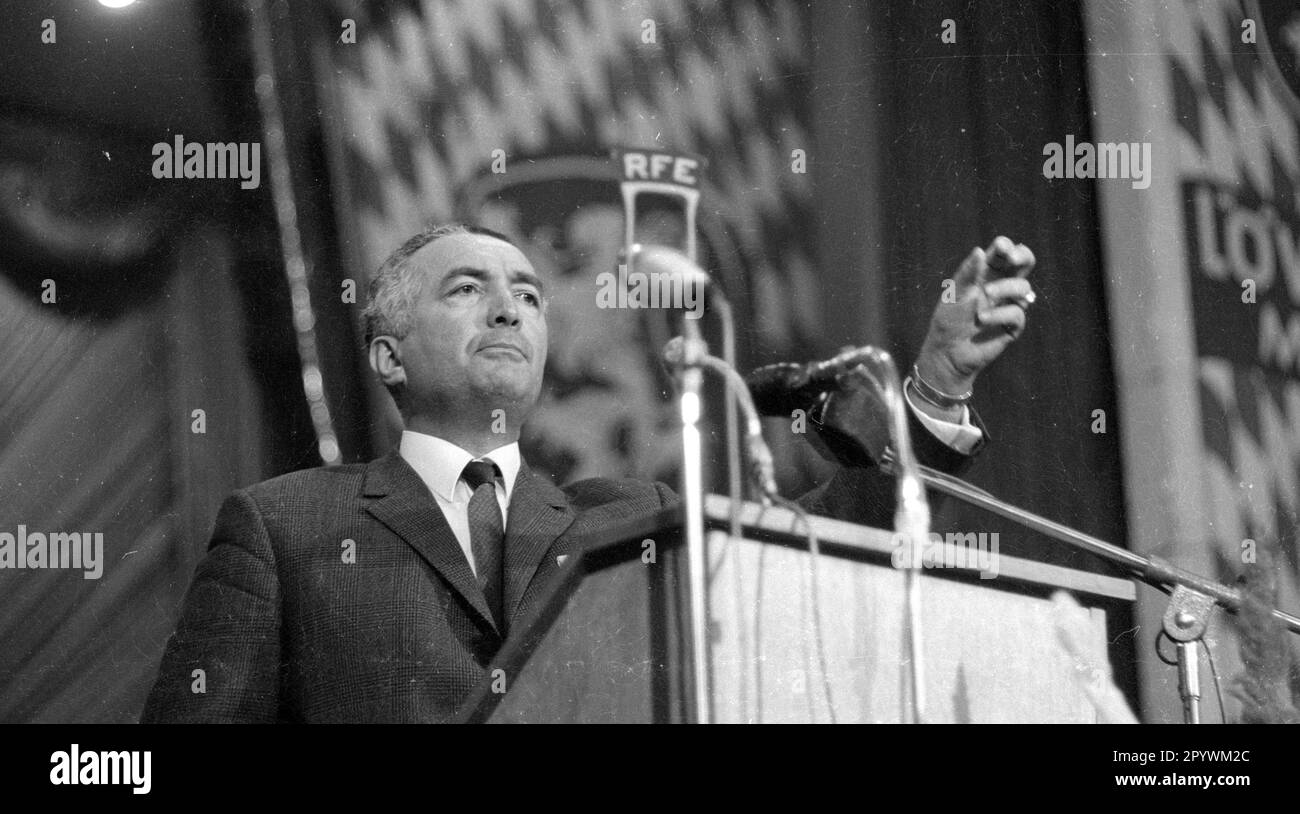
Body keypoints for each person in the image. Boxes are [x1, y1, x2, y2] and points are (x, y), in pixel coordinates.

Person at [141, 223, 1035, 722]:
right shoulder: (282, 526)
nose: (511, 309)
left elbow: (814, 556)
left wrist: (936, 389)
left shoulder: (631, 518)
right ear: (387, 355)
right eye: (467, 289)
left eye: (529, 294)